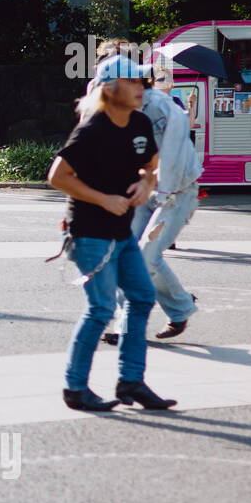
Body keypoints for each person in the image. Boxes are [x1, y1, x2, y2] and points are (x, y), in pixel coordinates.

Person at [47, 54, 176, 411]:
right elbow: (57, 176)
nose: (141, 88)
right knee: (102, 307)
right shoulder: (93, 129)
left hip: (121, 234)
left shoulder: (139, 123)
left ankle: (131, 381)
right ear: (110, 87)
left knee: (141, 297)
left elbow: (151, 166)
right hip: (89, 235)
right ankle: (75, 389)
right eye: (133, 82)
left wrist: (145, 185)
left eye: (143, 82)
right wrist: (104, 199)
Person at [103, 66, 202, 344]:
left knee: (147, 255)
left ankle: (169, 310)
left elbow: (174, 153)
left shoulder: (161, 106)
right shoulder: (118, 104)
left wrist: (167, 190)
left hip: (177, 189)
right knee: (127, 254)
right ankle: (171, 308)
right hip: (147, 189)